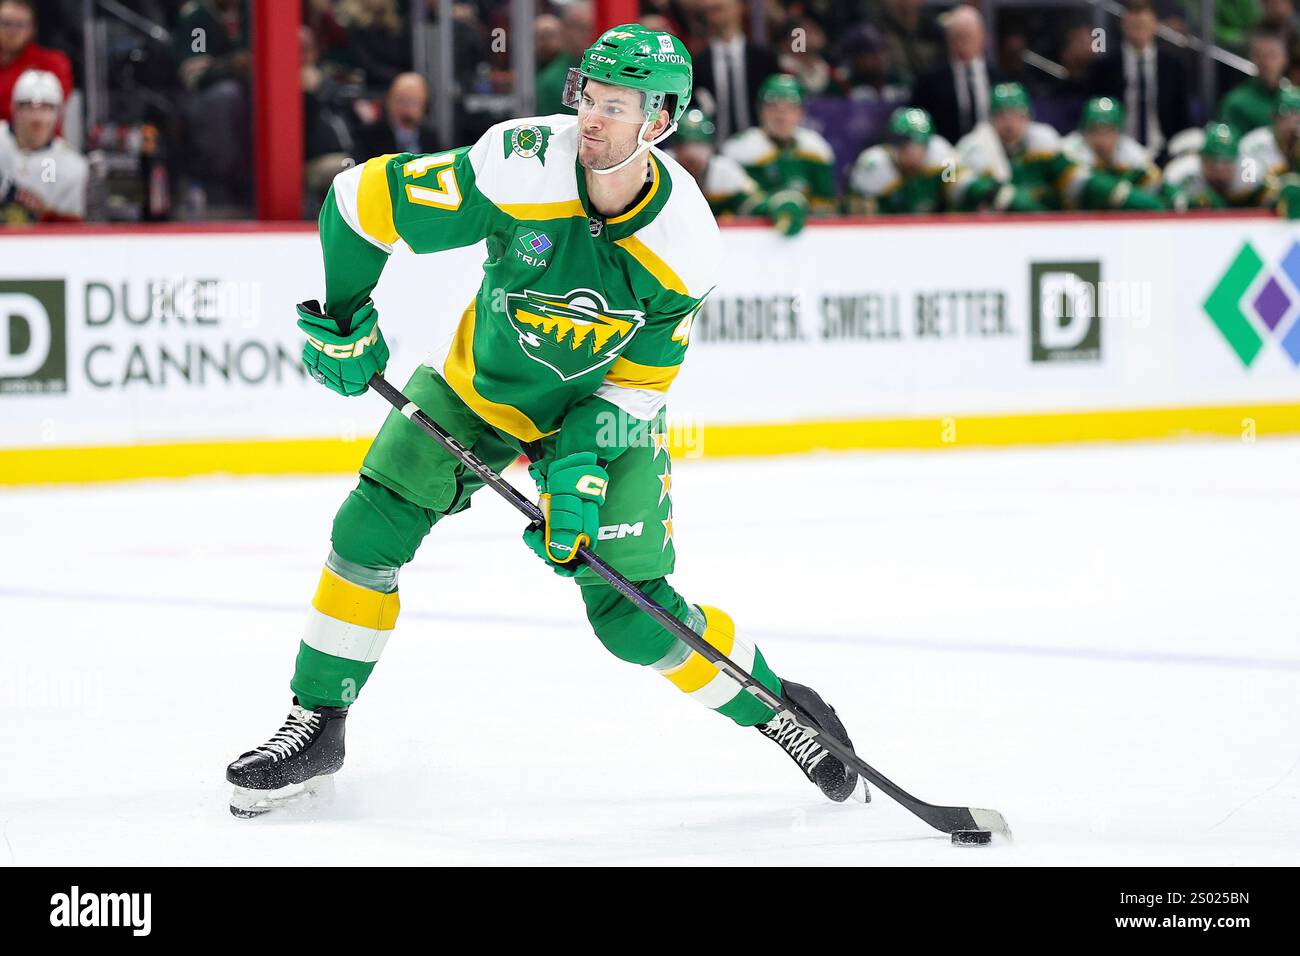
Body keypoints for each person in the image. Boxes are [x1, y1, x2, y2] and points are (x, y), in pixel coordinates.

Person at [225, 24, 863, 818]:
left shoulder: (687, 244)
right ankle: (318, 719)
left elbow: (636, 388)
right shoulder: (520, 163)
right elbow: (359, 203)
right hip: (479, 391)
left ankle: (780, 711)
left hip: (595, 415)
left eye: (617, 106)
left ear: (659, 122)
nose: (592, 118)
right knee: (367, 529)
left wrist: (580, 479)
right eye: (587, 97)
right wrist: (346, 314)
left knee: (633, 617)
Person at [957, 82, 1163, 211]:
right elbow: (952, 183)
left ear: (1028, 116)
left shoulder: (1044, 140)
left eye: (1016, 115)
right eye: (1001, 115)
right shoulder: (976, 146)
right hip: (988, 233)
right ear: (990, 119)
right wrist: (1001, 195)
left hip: (1048, 230)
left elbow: (1078, 182)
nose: (1010, 123)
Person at [670, 106, 807, 234]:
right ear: (675, 147)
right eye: (686, 145)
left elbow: (754, 201)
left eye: (699, 145)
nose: (693, 154)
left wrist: (776, 205)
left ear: (711, 147)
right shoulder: (661, 167)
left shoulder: (725, 173)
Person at [721, 73, 838, 214]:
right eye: (773, 108)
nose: (781, 116)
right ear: (761, 111)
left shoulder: (816, 149)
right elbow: (733, 205)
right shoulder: (739, 149)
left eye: (790, 109)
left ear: (801, 113)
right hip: (752, 233)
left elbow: (825, 206)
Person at [1087, 0, 1190, 158]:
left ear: (1155, 26)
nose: (1138, 31)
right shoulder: (1105, 67)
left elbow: (1182, 115)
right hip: (1117, 153)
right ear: (1123, 25)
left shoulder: (1173, 67)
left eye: (1143, 25)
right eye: (1134, 26)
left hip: (1164, 152)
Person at [847, 105, 984, 214]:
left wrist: (982, 190)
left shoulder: (941, 154)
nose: (915, 155)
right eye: (907, 146)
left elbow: (961, 187)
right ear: (894, 145)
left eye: (921, 146)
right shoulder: (873, 166)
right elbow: (860, 217)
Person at [0, 68, 87, 223]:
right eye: (27, 106)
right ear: (14, 109)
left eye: (46, 107)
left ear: (59, 114)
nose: (37, 116)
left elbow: (70, 230)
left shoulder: (72, 166)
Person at [910, 5, 1004, 145]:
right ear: (948, 40)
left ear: (982, 37)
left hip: (991, 155)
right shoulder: (929, 81)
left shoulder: (999, 78)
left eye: (968, 36)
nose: (962, 43)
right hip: (947, 158)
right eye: (957, 37)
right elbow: (917, 120)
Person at [692, 0, 780, 142]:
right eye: (708, 11)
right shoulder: (697, 63)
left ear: (739, 8)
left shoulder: (764, 59)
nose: (713, 16)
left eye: (719, 8)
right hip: (713, 148)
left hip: (761, 149)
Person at [1063, 96, 1173, 207]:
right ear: (1083, 131)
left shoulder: (1131, 151)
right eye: (1094, 130)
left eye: (1109, 131)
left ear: (1119, 133)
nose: (1102, 140)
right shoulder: (1069, 152)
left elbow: (1157, 184)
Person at [0, 0, 72, 125]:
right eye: (6, 23)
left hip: (41, 142)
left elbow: (45, 111)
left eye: (20, 25)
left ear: (33, 29)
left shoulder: (53, 63)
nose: (12, 31)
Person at [1163, 121, 1262, 208]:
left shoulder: (1251, 173)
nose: (1219, 170)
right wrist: (1181, 200)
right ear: (1201, 159)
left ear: (1237, 161)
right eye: (1212, 164)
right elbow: (1168, 190)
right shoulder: (1183, 171)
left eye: (1226, 164)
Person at [1217, 31, 1291, 136]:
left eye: (1273, 55)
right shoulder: (1236, 102)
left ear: (1284, 60)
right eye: (1260, 56)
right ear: (1252, 59)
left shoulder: (1295, 98)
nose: (1266, 62)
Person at [354, 72, 441, 158]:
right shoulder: (369, 136)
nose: (408, 108)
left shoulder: (429, 137)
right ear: (389, 101)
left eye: (414, 102)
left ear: (424, 105)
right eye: (402, 100)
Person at [535, 1, 592, 115]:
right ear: (565, 29)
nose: (587, 34)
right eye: (580, 27)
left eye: (590, 27)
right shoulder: (553, 80)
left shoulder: (597, 69)